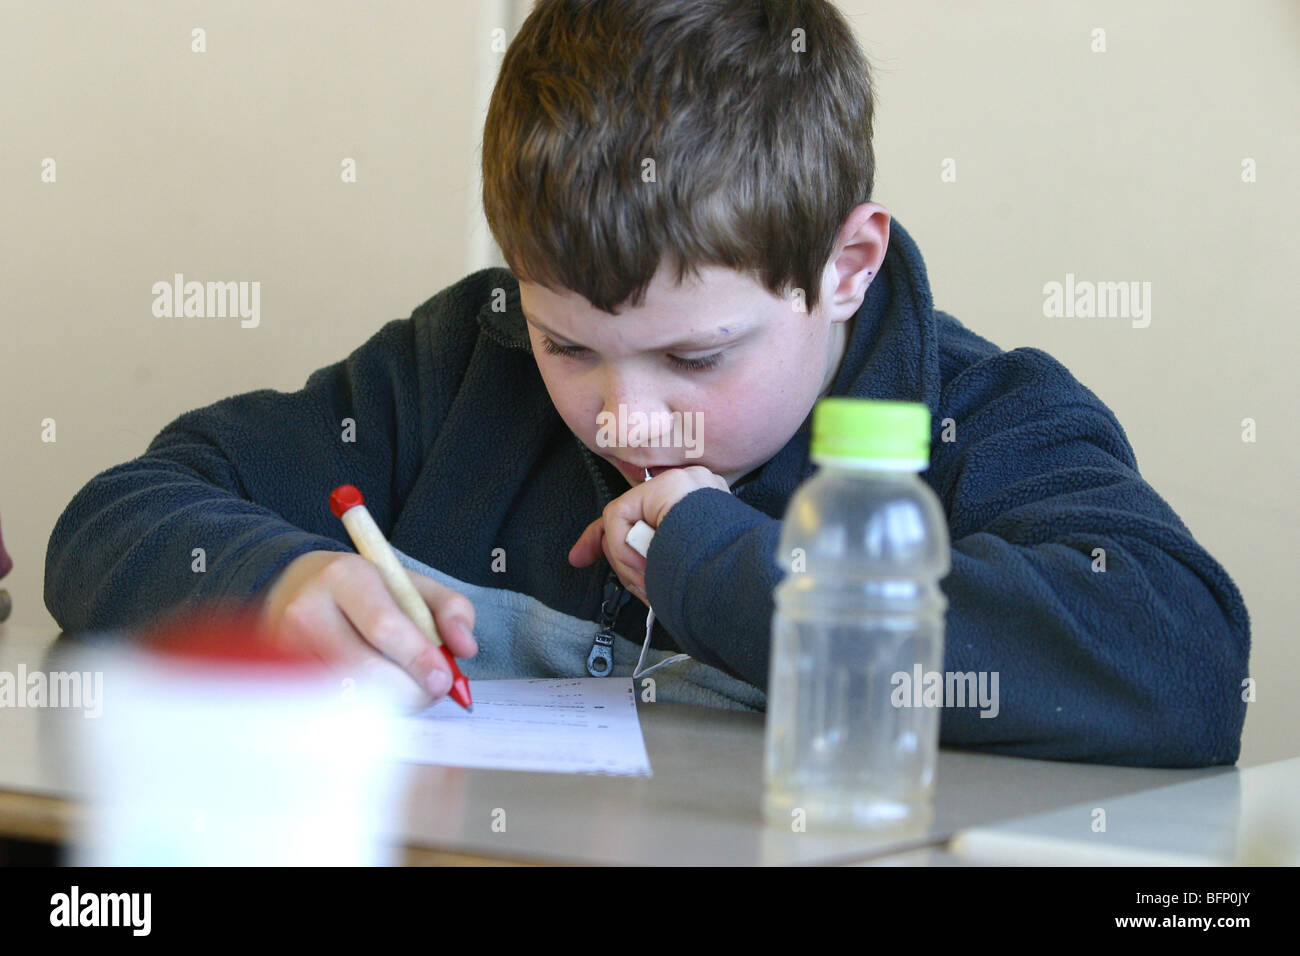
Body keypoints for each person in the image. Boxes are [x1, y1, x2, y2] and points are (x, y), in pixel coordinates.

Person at [45, 0, 1249, 766]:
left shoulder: (975, 417)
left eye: (696, 356)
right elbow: (118, 514)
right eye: (571, 345)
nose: (624, 413)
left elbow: (1187, 664)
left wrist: (720, 559)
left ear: (845, 264)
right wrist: (277, 582)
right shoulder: (466, 359)